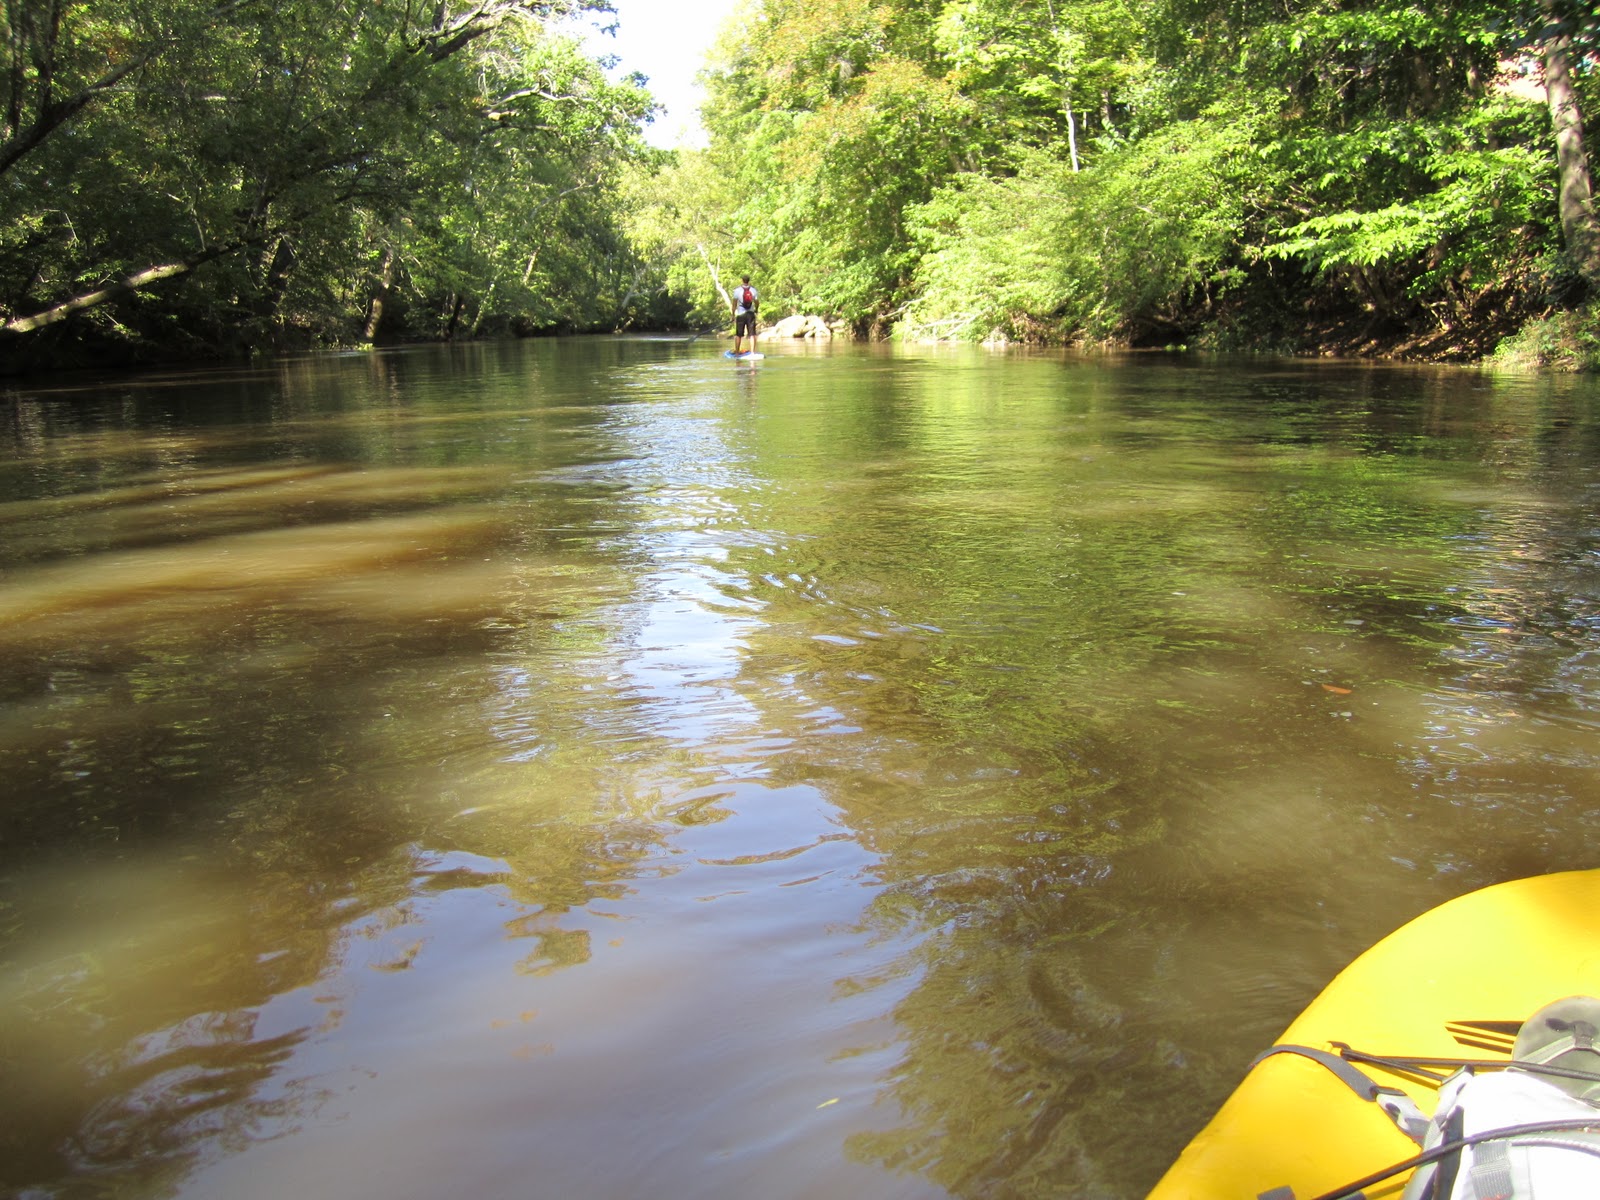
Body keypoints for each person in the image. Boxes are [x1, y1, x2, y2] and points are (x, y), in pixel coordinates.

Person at [730, 275, 759, 355]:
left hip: (741, 314)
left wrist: (732, 315)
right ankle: (753, 353)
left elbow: (734, 304)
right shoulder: (753, 290)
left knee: (738, 334)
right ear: (748, 281)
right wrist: (756, 309)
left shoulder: (737, 291)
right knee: (752, 334)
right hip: (750, 314)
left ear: (742, 280)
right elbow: (756, 302)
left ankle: (737, 353)